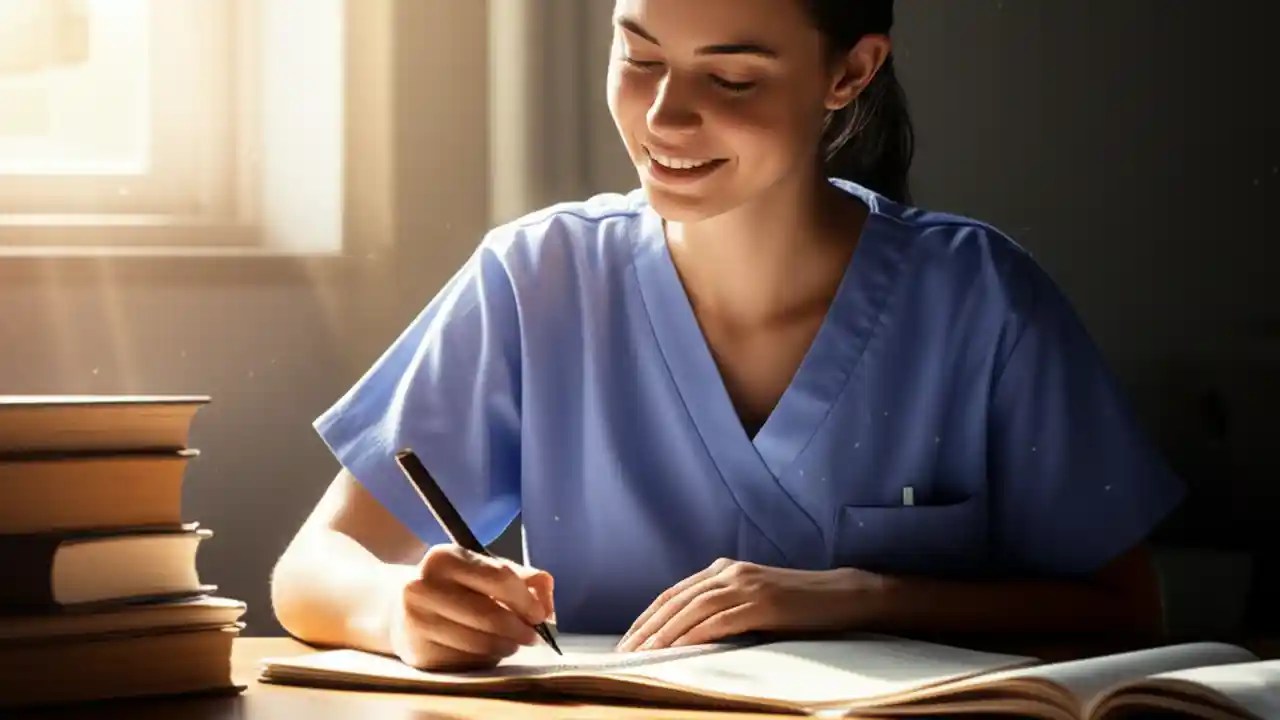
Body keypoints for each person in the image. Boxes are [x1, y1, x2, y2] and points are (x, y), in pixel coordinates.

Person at [271, 0, 1185, 671]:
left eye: (732, 77)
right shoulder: (537, 279)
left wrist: (862, 598)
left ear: (851, 72)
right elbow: (311, 569)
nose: (665, 116)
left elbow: (1124, 609)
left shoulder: (979, 300)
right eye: (638, 56)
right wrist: (400, 608)